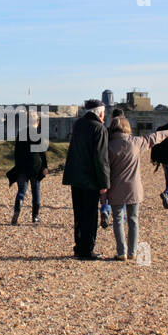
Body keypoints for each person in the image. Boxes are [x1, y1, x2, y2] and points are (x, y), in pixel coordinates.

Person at [106, 116, 168, 260]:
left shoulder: (108, 146)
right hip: (133, 188)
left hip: (115, 187)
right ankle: (132, 252)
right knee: (133, 219)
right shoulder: (136, 142)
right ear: (127, 128)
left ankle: (121, 252)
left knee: (118, 219)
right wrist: (167, 133)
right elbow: (152, 138)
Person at [62, 99, 109, 260]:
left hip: (75, 177)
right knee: (90, 215)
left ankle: (78, 247)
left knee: (79, 214)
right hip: (90, 179)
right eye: (104, 113)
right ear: (100, 112)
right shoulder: (99, 128)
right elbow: (101, 158)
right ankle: (87, 250)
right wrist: (104, 183)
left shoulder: (78, 125)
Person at [9, 111, 47, 225]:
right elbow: (42, 153)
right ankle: (35, 217)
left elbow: (16, 153)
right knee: (36, 191)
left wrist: (17, 165)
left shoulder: (20, 134)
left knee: (21, 191)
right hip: (35, 168)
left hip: (22, 168)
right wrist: (45, 166)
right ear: (38, 122)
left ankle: (18, 207)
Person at [99, 107, 124, 229]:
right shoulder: (125, 134)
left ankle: (105, 210)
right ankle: (120, 218)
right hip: (119, 167)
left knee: (106, 193)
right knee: (121, 194)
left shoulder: (106, 131)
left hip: (106, 166)